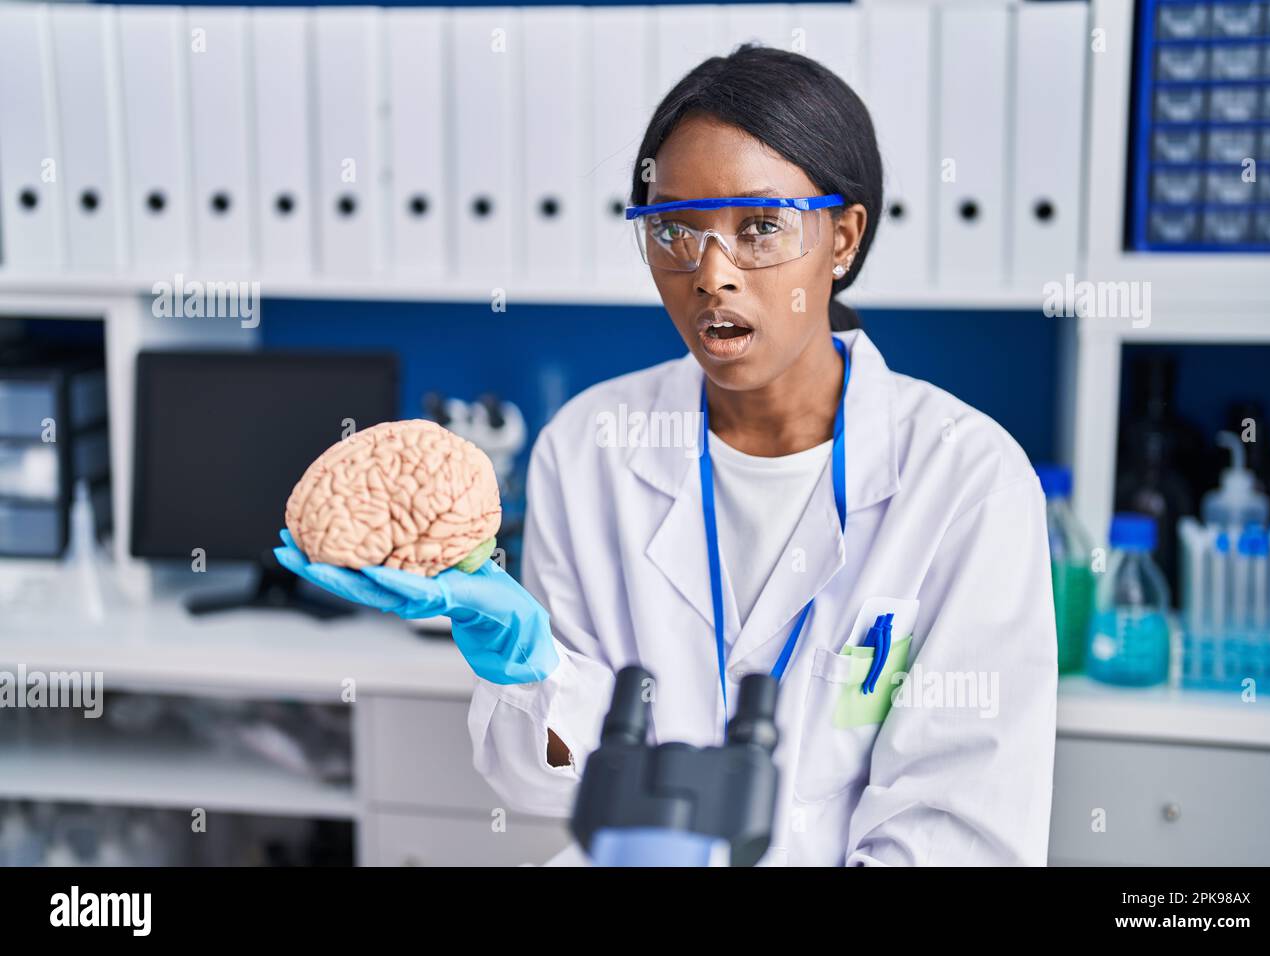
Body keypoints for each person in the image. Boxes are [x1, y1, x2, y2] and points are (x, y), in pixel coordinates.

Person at [276, 45, 1058, 866]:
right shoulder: (589, 449)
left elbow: (960, 840)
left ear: (843, 238)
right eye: (675, 230)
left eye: (761, 228)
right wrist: (527, 666)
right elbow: (542, 783)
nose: (711, 275)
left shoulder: (967, 481)